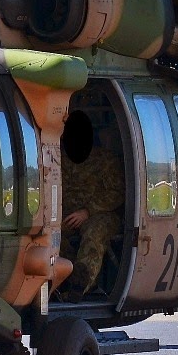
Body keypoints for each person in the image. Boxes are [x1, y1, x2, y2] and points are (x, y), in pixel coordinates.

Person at [59, 110, 125, 303]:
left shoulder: (105, 160)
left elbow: (117, 193)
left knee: (94, 233)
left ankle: (81, 286)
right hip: (69, 215)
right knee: (52, 235)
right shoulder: (60, 158)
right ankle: (72, 276)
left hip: (101, 214)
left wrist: (88, 211)